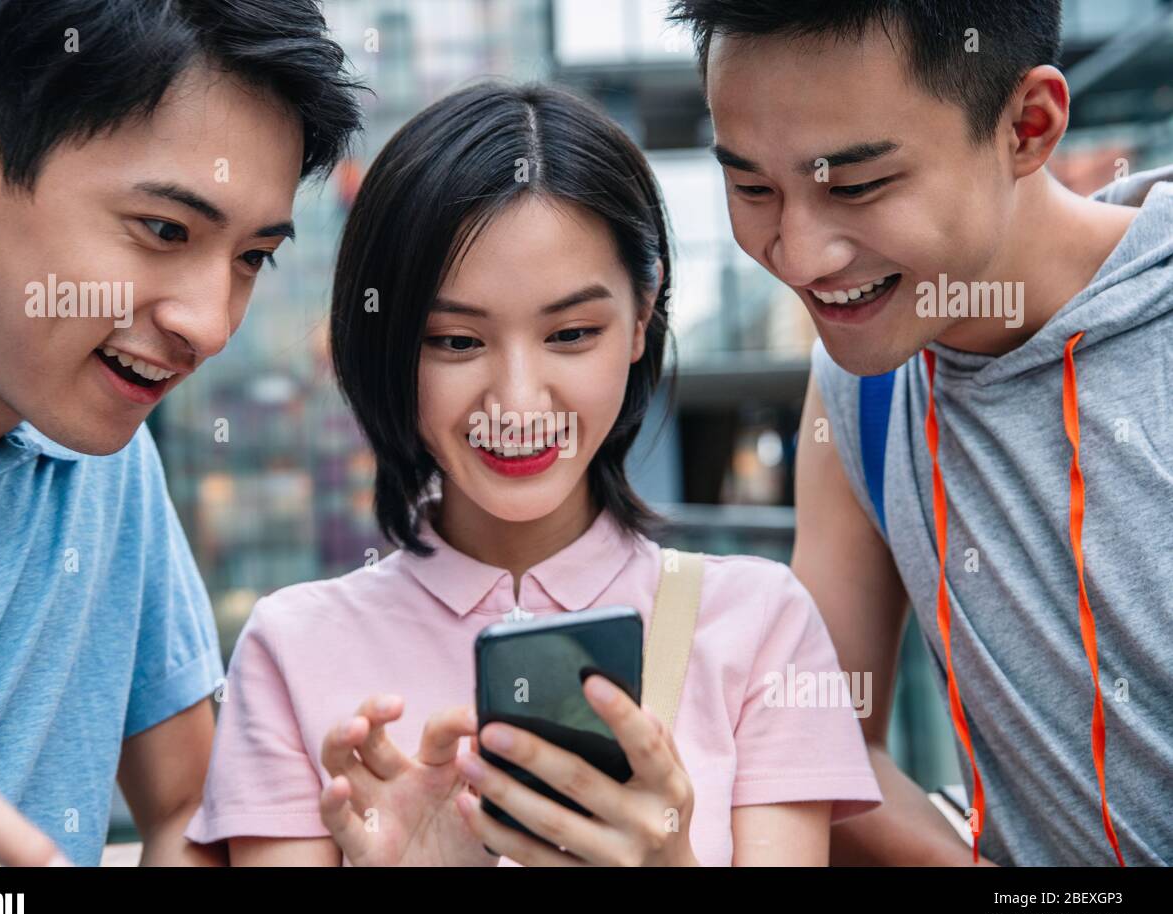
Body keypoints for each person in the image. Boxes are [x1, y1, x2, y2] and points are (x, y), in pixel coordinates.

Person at [184, 81, 882, 867]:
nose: (518, 401)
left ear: (642, 319)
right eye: (455, 341)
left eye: (572, 332)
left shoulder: (760, 628)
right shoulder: (292, 649)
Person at [670, 0, 1173, 865]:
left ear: (1028, 126)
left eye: (856, 187)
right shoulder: (862, 388)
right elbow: (819, 739)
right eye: (752, 187)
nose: (798, 254)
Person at [0, 0, 361, 866]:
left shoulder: (101, 454)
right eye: (164, 230)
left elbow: (182, 809)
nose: (210, 326)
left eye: (251, 257)